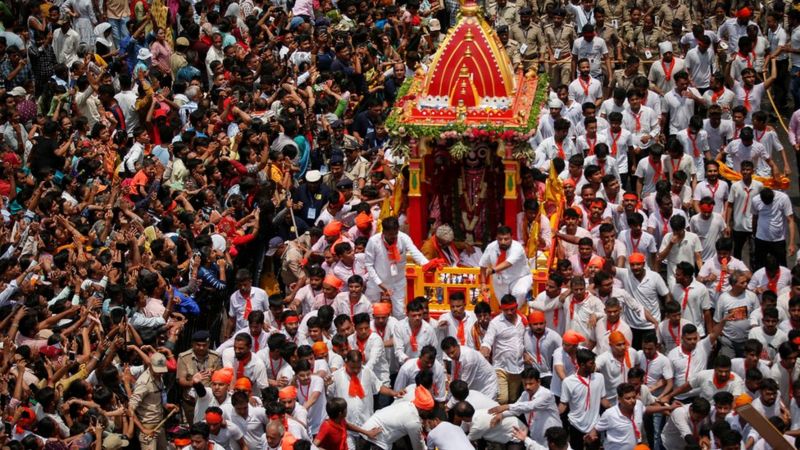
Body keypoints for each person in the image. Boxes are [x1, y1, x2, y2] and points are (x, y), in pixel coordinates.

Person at [364, 216, 429, 318]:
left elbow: (415, 252)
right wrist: (380, 284)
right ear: (383, 231)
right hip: (376, 281)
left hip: (397, 281)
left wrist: (427, 264)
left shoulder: (403, 238)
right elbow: (368, 264)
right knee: (372, 311)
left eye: (395, 234)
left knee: (399, 313)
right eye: (390, 235)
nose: (393, 237)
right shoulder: (373, 241)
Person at [481, 294, 526, 405]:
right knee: (503, 399)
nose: (510, 312)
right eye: (506, 310)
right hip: (501, 367)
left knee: (513, 399)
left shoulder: (523, 320)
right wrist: (484, 350)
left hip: (518, 367)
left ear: (516, 307)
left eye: (512, 309)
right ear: (501, 309)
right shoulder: (495, 323)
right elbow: (487, 341)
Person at [480, 225, 533, 308]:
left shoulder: (517, 247)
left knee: (519, 293)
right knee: (504, 305)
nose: (503, 242)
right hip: (500, 281)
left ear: (512, 237)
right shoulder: (491, 247)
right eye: (500, 239)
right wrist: (483, 283)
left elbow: (508, 263)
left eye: (506, 239)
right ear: (496, 238)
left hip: (519, 278)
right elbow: (483, 265)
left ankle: (517, 312)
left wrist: (493, 270)